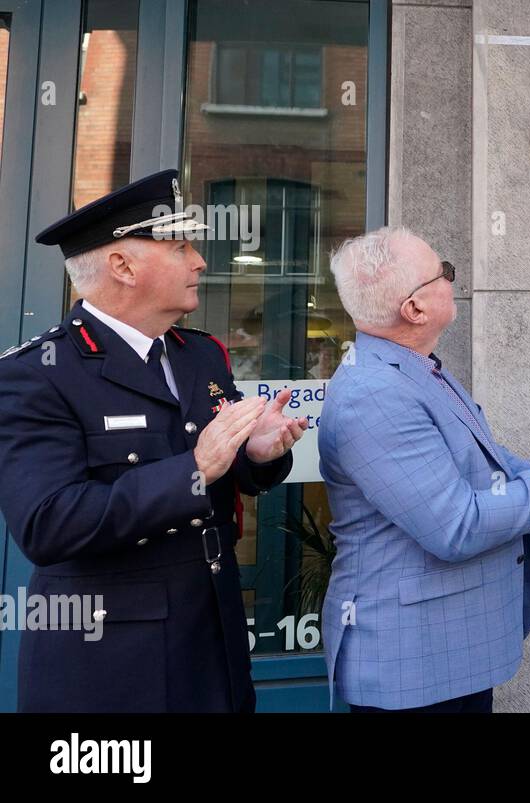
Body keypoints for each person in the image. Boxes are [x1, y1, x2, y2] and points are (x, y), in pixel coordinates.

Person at [0, 168, 308, 712]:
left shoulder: (200, 354)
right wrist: (195, 469)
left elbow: (223, 471)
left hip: (213, 645)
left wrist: (256, 456)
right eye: (182, 246)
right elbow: (47, 524)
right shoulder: (39, 373)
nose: (200, 262)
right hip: (114, 667)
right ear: (122, 265)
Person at [319, 226, 530, 713]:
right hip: (411, 668)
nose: (450, 279)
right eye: (442, 273)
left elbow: (475, 463)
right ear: (415, 309)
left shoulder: (414, 369)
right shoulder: (374, 395)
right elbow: (455, 526)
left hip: (442, 656)